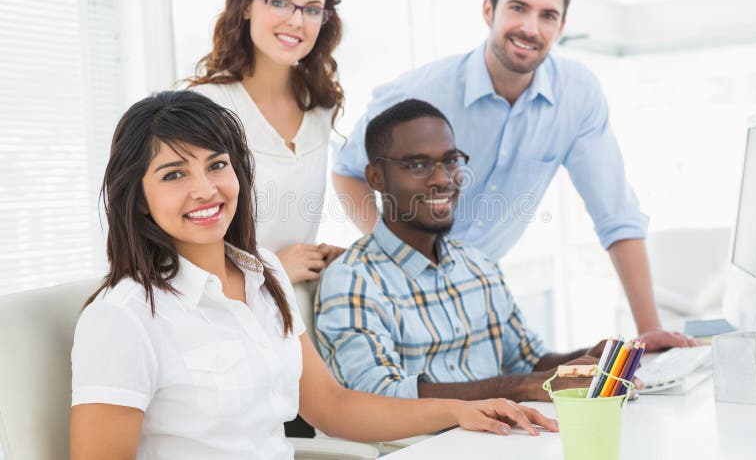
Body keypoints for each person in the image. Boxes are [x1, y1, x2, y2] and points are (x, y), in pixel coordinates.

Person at [69, 91, 557, 460]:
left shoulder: (264, 274)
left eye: (217, 165)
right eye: (174, 174)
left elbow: (332, 407)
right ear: (138, 197)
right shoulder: (123, 318)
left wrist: (459, 411)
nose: (205, 189)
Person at [330, 0, 696, 351]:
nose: (530, 28)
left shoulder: (577, 96)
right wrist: (396, 255)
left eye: (547, 15)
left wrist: (649, 327)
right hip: (402, 294)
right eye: (518, 8)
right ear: (489, 11)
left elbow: (615, 215)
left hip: (482, 292)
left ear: (561, 26)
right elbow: (348, 170)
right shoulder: (422, 92)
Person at [316, 100, 604, 401]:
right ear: (376, 177)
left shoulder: (478, 265)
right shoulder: (353, 280)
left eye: (450, 161)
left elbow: (528, 361)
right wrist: (520, 387)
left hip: (508, 429)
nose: (442, 179)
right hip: (431, 436)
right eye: (418, 165)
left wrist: (593, 358)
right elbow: (378, 396)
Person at [188, 0, 345, 285]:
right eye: (279, 2)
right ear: (246, 5)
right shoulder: (207, 107)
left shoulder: (321, 106)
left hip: (294, 298)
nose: (296, 21)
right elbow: (183, 237)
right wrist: (269, 267)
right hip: (231, 299)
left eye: (312, 10)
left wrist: (319, 256)